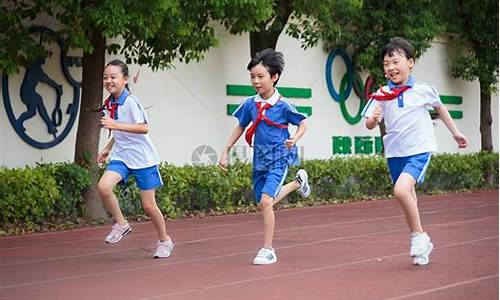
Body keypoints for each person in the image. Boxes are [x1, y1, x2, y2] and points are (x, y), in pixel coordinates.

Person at [362, 37, 468, 266]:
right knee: (408, 195)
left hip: (419, 149)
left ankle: (418, 235)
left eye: (395, 61)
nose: (390, 67)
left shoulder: (423, 90)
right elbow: (369, 123)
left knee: (400, 191)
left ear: (410, 62)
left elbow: (440, 108)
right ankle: (422, 245)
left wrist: (456, 132)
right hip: (394, 152)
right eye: (386, 63)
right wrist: (374, 119)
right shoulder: (380, 94)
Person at [218, 48, 311, 265]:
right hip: (260, 160)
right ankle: (298, 183)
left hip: (280, 158)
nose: (256, 81)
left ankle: (268, 249)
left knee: (266, 202)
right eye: (252, 77)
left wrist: (294, 139)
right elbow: (240, 127)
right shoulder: (251, 104)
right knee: (262, 204)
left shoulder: (283, 104)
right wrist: (225, 150)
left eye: (261, 76)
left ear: (274, 77)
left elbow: (303, 124)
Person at [97, 59, 174, 259]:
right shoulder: (109, 104)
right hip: (122, 156)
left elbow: (143, 127)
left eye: (113, 77)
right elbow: (118, 130)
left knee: (148, 206)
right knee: (104, 187)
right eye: (105, 77)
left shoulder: (131, 101)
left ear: (124, 79)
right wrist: (107, 148)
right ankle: (121, 224)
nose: (108, 81)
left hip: (143, 159)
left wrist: (115, 124)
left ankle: (165, 240)